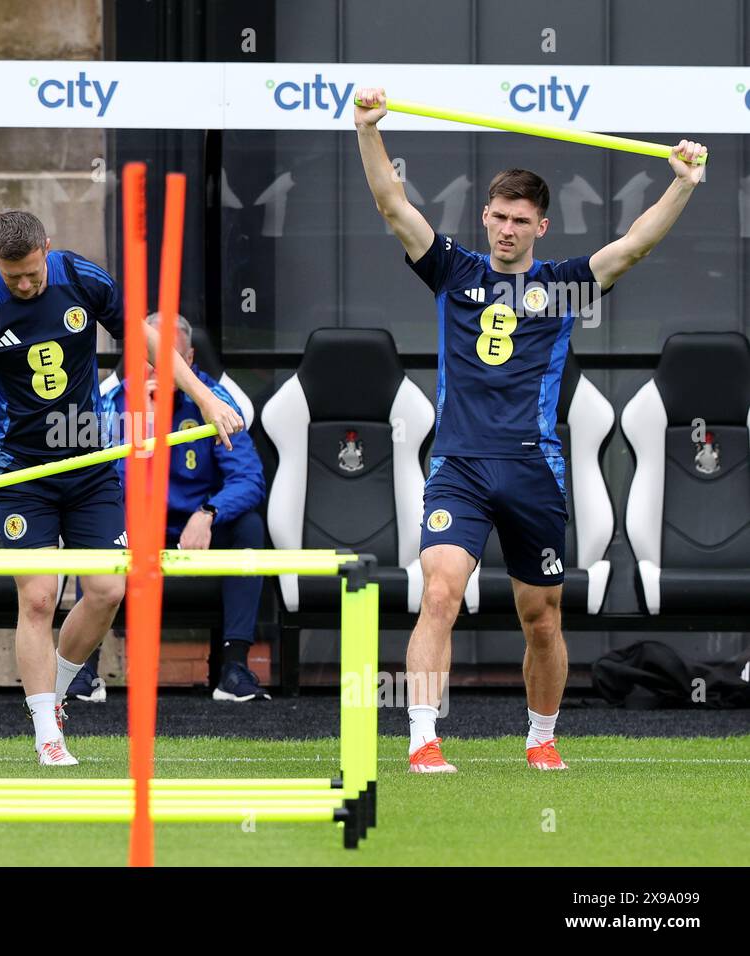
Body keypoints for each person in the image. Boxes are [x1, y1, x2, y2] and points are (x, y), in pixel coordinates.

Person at [353, 87, 706, 773]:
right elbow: (391, 205)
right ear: (484, 217)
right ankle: (423, 737)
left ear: (541, 226)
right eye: (498, 216)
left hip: (533, 469)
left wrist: (683, 183)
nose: (507, 229)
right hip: (459, 462)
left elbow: (633, 247)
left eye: (520, 220)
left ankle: (541, 736)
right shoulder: (453, 271)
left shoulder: (565, 285)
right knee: (440, 590)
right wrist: (368, 130)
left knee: (541, 617)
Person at [0, 210, 243, 766]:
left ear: (47, 250)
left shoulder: (83, 277)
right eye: (15, 277)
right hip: (20, 473)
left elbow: (146, 339)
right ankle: (45, 734)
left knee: (107, 590)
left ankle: (55, 695)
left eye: (33, 273)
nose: (26, 285)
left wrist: (205, 398)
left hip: (89, 464)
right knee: (38, 596)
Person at [91, 314, 269, 702]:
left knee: (249, 529)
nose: (158, 366)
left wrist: (209, 512)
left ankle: (234, 669)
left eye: (170, 356)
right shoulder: (110, 402)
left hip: (194, 524)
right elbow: (98, 479)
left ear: (188, 358)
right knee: (90, 525)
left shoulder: (214, 402)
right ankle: (84, 671)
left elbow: (249, 478)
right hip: (133, 522)